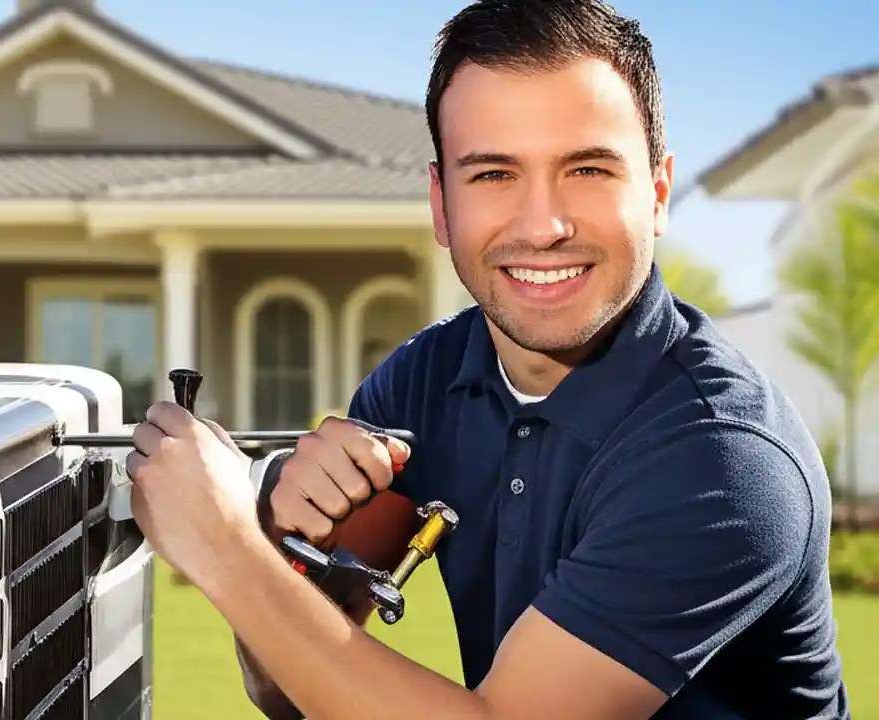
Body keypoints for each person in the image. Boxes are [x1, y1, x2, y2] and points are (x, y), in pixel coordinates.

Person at [123, 0, 851, 717]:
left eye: (588, 169)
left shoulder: (723, 458)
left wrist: (225, 546)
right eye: (493, 175)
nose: (543, 226)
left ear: (657, 194)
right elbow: (287, 689)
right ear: (442, 205)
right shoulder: (422, 382)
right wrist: (284, 541)